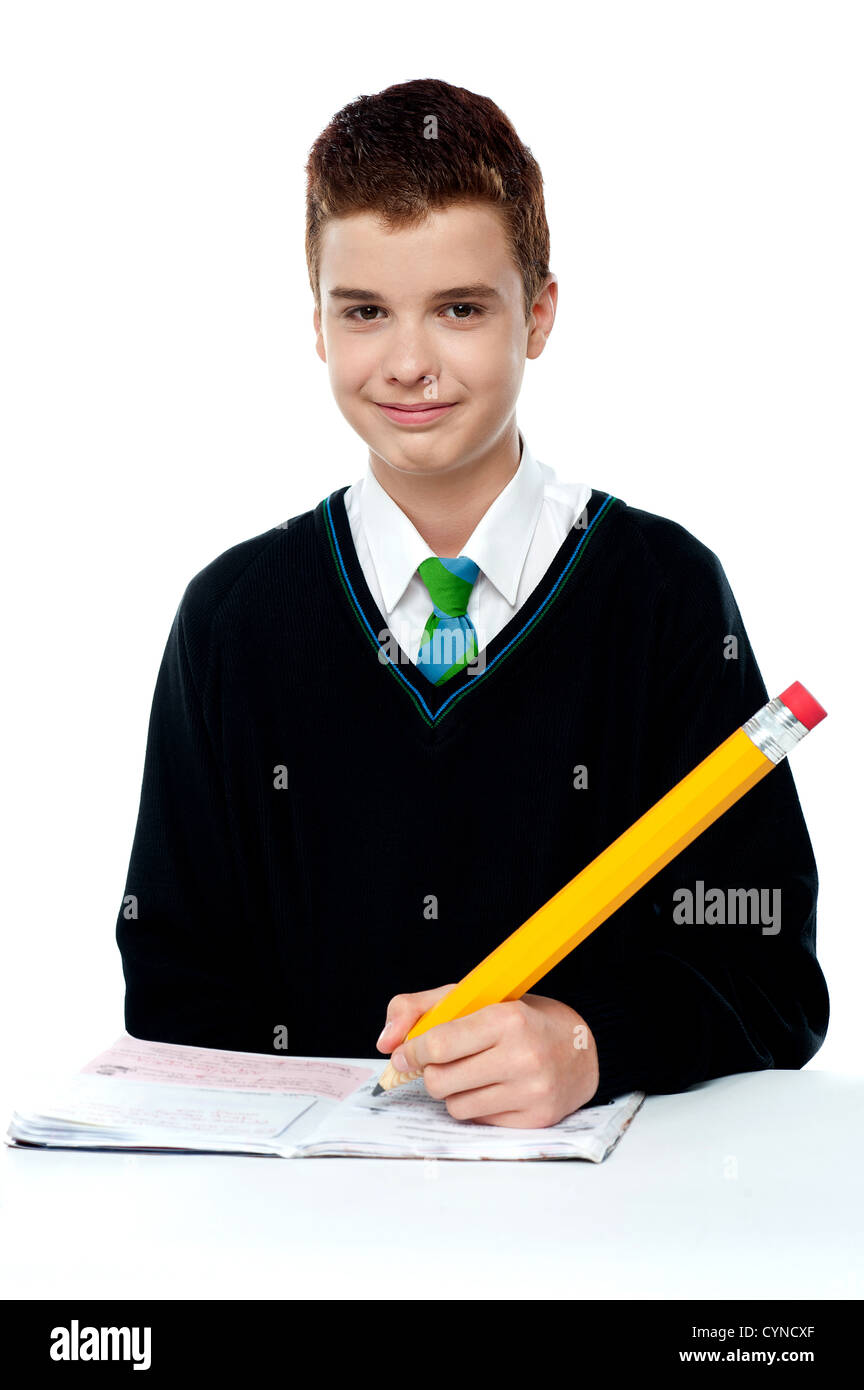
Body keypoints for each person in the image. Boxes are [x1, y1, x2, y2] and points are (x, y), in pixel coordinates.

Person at [116, 77, 829, 1129]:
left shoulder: (665, 595)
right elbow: (171, 984)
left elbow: (774, 981)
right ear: (316, 324)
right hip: (299, 1245)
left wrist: (589, 1042)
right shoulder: (230, 620)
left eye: (460, 308)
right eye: (364, 312)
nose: (409, 363)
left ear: (538, 314)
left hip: (605, 1244)